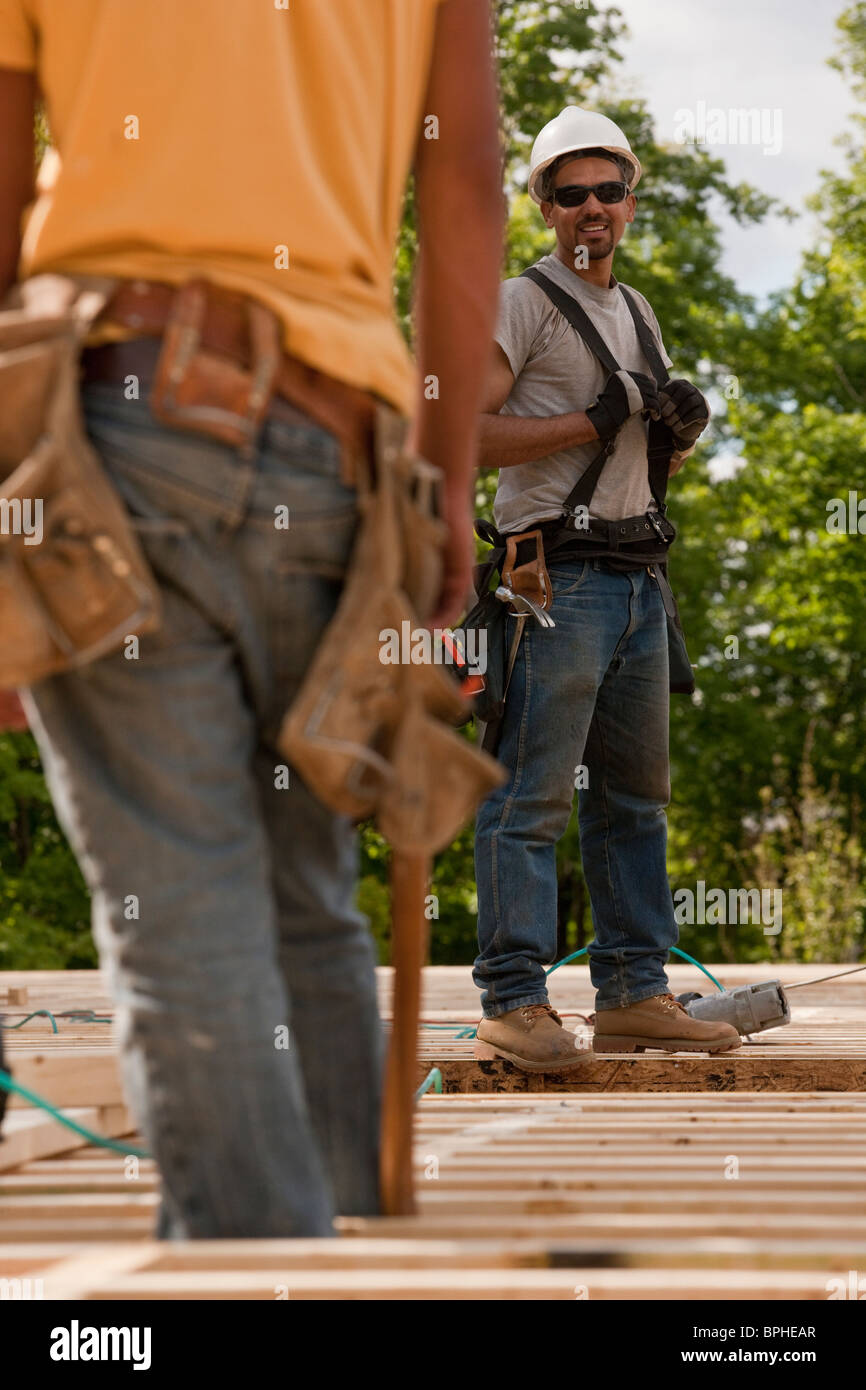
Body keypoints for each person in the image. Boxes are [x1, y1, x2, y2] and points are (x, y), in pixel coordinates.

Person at [0, 0, 503, 1236]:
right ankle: (344, 1265)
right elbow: (467, 175)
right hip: (334, 454)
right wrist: (442, 478)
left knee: (184, 921)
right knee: (302, 901)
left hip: (116, 419)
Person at [472, 106, 740, 1069]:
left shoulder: (637, 311)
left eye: (608, 191)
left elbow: (637, 447)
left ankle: (632, 991)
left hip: (636, 580)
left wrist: (674, 426)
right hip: (555, 580)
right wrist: (591, 419)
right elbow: (464, 433)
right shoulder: (521, 301)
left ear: (630, 200)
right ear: (544, 204)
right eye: (572, 192)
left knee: (634, 800)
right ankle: (512, 1000)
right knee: (528, 798)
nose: (593, 209)